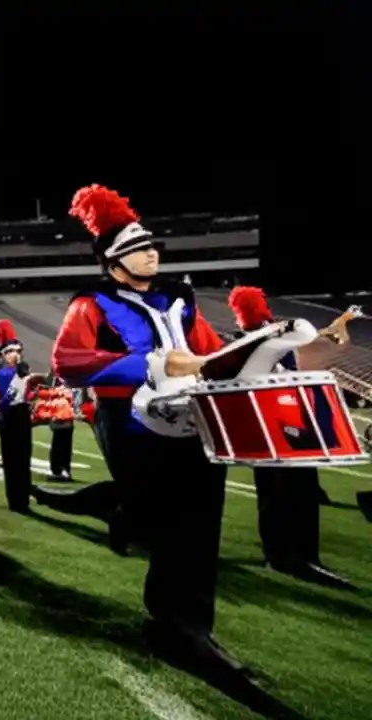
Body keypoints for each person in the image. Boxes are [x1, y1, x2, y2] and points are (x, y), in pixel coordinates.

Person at [53, 183, 244, 677]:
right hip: (131, 418)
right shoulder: (91, 303)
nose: (151, 252)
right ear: (114, 261)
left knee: (202, 520)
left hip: (195, 416)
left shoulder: (180, 298)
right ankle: (128, 520)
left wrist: (247, 355)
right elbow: (68, 362)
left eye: (152, 245)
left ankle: (190, 628)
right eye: (139, 248)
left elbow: (207, 351)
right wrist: (152, 365)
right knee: (164, 517)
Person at [227, 286, 354, 589]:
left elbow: (312, 338)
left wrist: (333, 329)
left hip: (292, 422)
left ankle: (302, 556)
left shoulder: (272, 337)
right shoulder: (249, 342)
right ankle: (285, 556)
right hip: (271, 426)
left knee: (299, 489)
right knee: (279, 491)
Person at [0, 320, 36, 513]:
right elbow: (3, 399)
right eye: (11, 351)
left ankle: (25, 496)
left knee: (24, 457)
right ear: (4, 355)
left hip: (23, 416)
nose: (16, 355)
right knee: (11, 460)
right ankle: (15, 499)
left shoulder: (25, 372)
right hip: (8, 417)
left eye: (18, 351)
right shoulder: (0, 374)